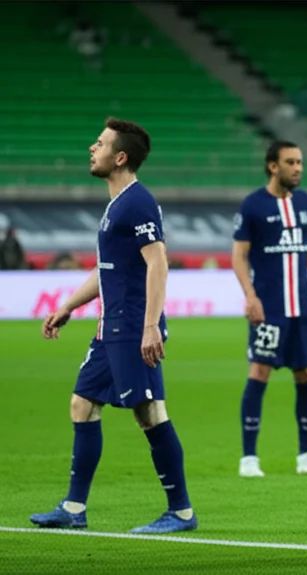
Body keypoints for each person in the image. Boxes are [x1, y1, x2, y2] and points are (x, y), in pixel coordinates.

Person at [30, 117, 196, 534]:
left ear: (119, 157)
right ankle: (73, 508)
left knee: (150, 413)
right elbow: (107, 270)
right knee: (81, 404)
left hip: (132, 327)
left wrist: (150, 327)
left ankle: (180, 512)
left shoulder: (137, 202)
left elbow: (158, 263)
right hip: (111, 327)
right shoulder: (118, 204)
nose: (92, 147)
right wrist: (68, 305)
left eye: (100, 143)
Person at [231, 141, 307, 479]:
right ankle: (248, 458)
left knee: (306, 374)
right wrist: (250, 296)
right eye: (291, 162)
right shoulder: (253, 205)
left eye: (300, 162)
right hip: (269, 309)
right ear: (272, 166)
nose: (298, 168)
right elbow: (238, 255)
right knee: (259, 372)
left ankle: (306, 456)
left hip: (302, 310)